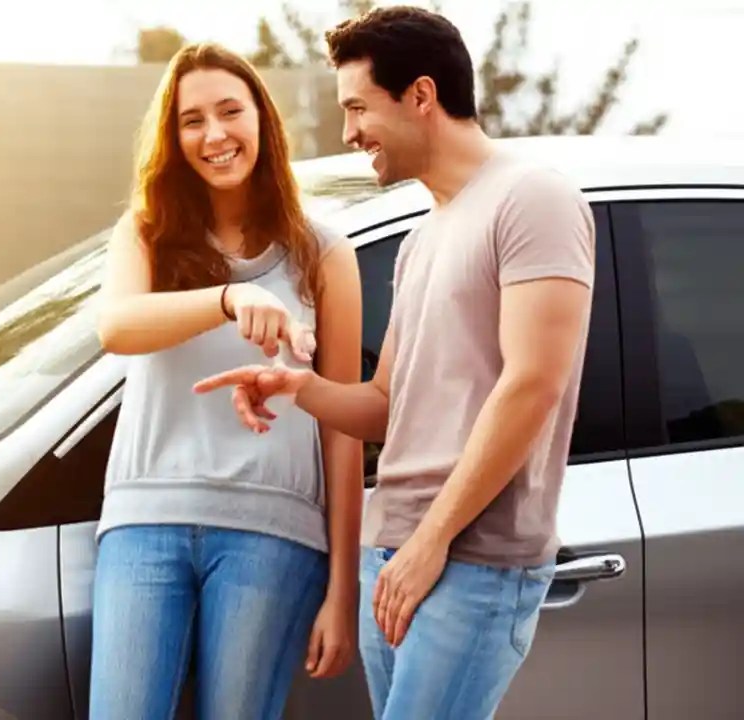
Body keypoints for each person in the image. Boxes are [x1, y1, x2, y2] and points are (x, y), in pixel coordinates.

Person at [193, 7, 596, 720]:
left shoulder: (533, 199)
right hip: (397, 551)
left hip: (471, 558)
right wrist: (298, 387)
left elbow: (533, 384)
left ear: (420, 95)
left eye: (357, 107)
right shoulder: (423, 238)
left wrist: (431, 542)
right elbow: (386, 404)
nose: (349, 133)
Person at [90, 42, 365, 719]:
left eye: (229, 112)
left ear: (261, 123)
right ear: (172, 137)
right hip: (144, 524)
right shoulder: (146, 233)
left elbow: (344, 429)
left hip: (271, 536)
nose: (213, 134)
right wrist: (228, 300)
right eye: (191, 120)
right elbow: (117, 327)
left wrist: (343, 593)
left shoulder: (324, 255)